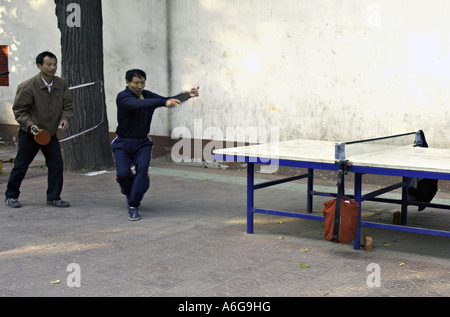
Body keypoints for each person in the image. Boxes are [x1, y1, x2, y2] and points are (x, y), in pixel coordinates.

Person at [112, 69, 199, 221]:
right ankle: (130, 191)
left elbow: (167, 100)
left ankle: (133, 204)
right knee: (123, 174)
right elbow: (138, 104)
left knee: (142, 170)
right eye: (136, 83)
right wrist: (163, 102)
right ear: (128, 82)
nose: (139, 86)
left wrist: (186, 95)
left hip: (142, 143)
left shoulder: (148, 95)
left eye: (142, 82)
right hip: (123, 142)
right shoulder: (123, 97)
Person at [5, 51, 74, 208]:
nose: (53, 67)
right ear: (39, 66)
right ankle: (11, 195)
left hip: (49, 134)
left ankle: (54, 197)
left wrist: (65, 118)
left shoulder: (61, 84)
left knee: (56, 164)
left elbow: (68, 106)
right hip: (30, 134)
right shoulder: (27, 86)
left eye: (55, 64)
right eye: (48, 64)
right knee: (21, 165)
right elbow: (19, 110)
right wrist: (30, 125)